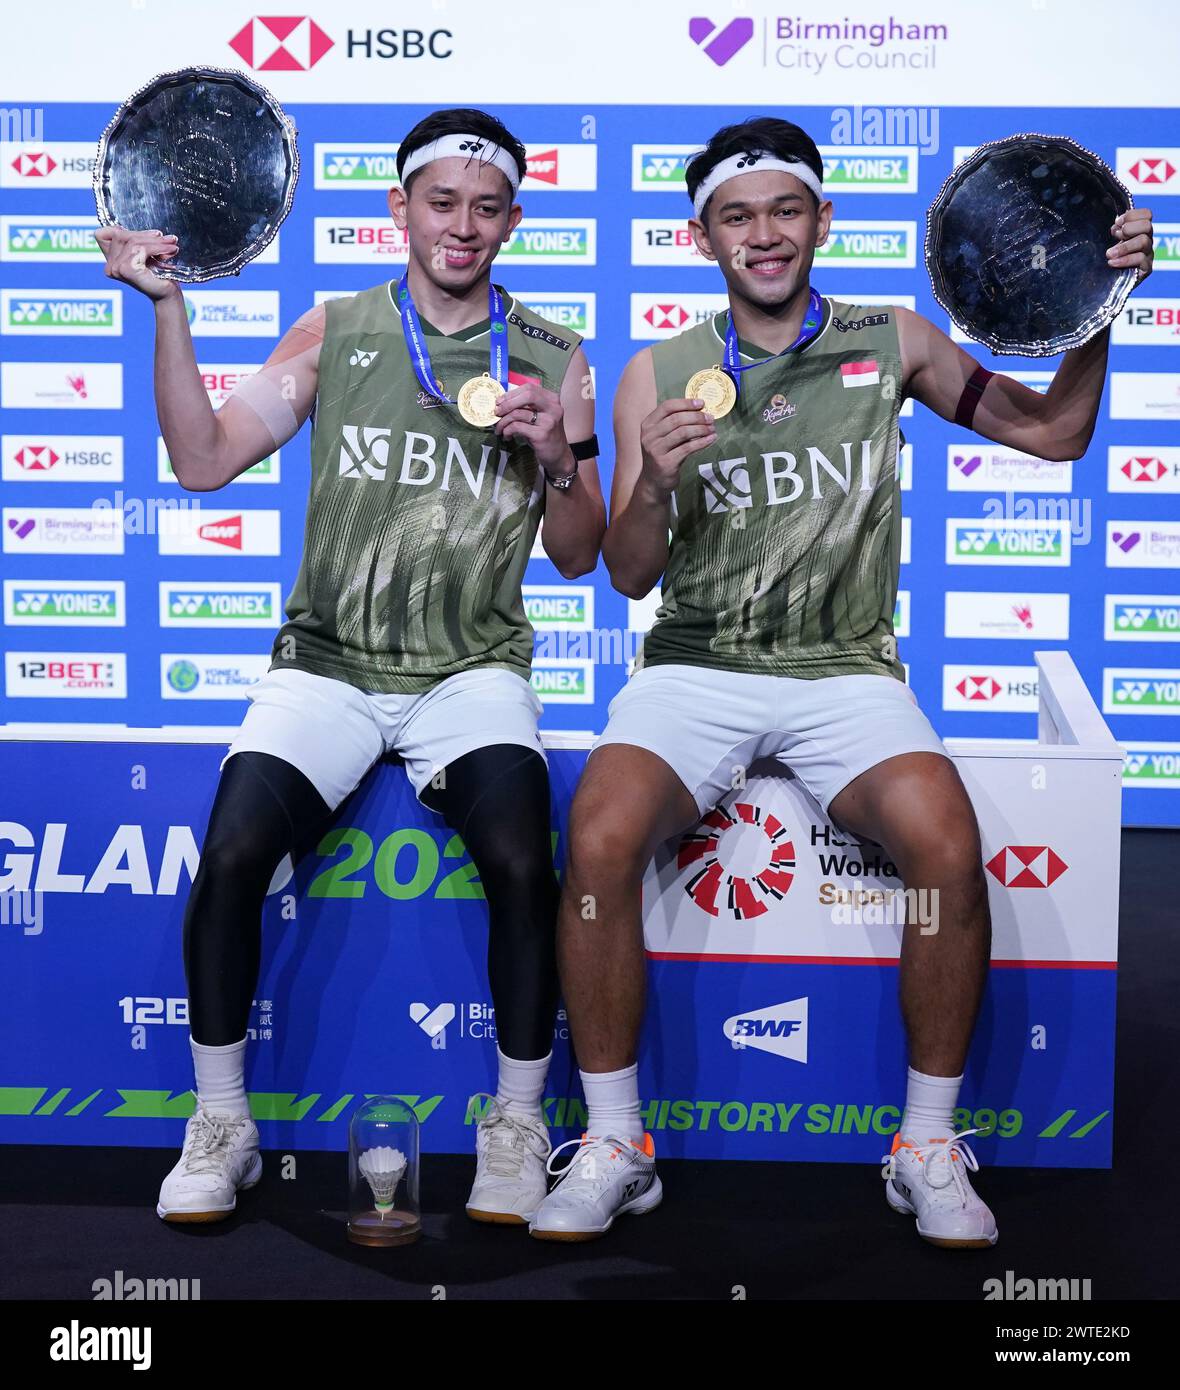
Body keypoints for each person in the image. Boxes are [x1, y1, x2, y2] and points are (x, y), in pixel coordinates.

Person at [528, 116, 1154, 1245]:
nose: (762, 235)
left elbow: (1057, 434)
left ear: (821, 219)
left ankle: (923, 1144)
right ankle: (616, 1139)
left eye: (783, 211)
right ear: (700, 236)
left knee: (945, 845)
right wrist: (657, 485)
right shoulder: (656, 372)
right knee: (600, 841)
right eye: (736, 216)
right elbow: (623, 577)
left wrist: (1096, 307)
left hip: (844, 671)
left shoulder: (894, 340)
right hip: (696, 668)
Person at [95, 107, 606, 1227]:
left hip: (470, 670)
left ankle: (516, 1128)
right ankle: (221, 1122)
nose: (461, 226)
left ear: (513, 219)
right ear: (399, 209)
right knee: (229, 854)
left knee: (524, 863)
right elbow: (203, 458)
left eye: (485, 207)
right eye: (440, 202)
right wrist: (168, 311)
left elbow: (581, 559)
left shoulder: (558, 356)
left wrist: (558, 456)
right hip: (326, 663)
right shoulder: (336, 329)